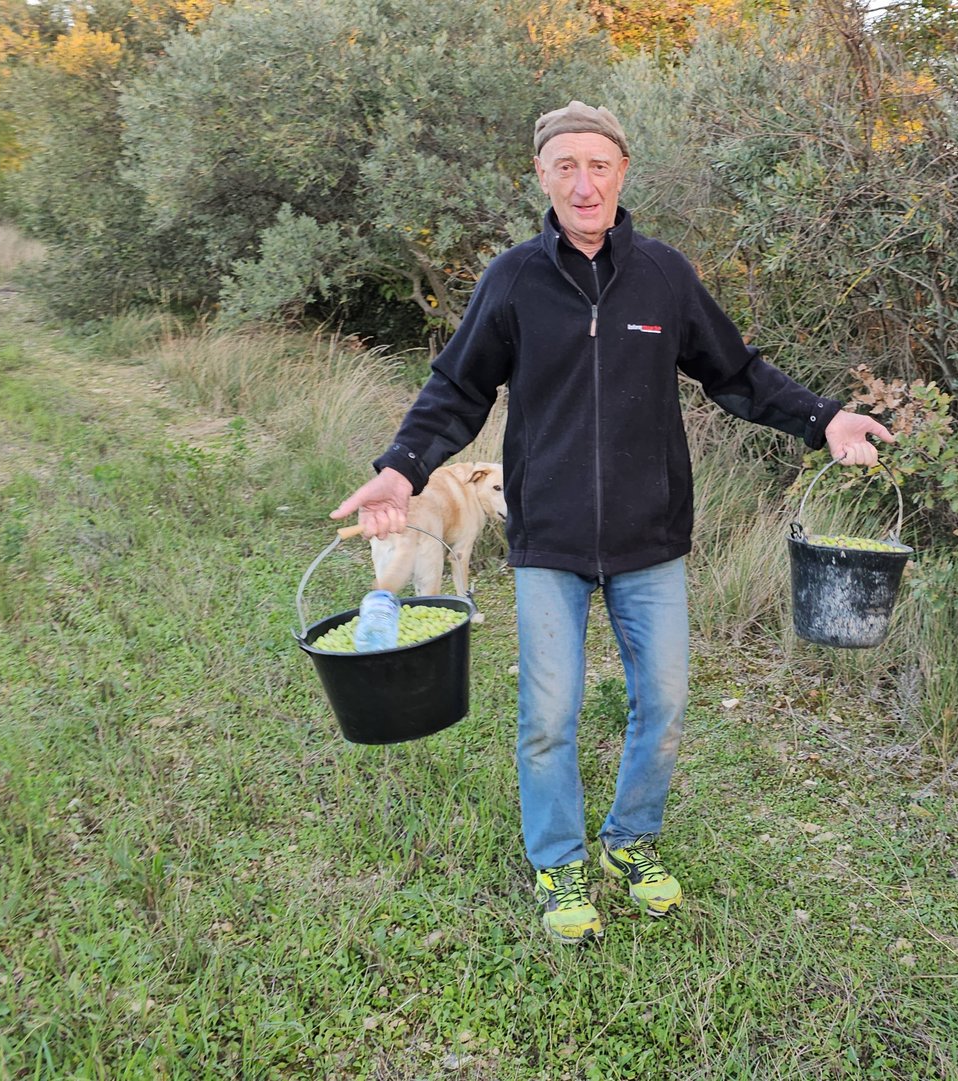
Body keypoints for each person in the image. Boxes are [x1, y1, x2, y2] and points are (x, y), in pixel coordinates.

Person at [330, 101, 894, 945]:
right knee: (549, 713)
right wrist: (400, 467)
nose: (584, 182)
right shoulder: (514, 279)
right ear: (543, 177)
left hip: (648, 535)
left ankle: (633, 842)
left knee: (661, 702)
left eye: (598, 164)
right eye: (566, 166)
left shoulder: (663, 275)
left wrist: (826, 420)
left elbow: (735, 374)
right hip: (549, 534)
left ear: (622, 172)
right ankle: (559, 859)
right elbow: (457, 389)